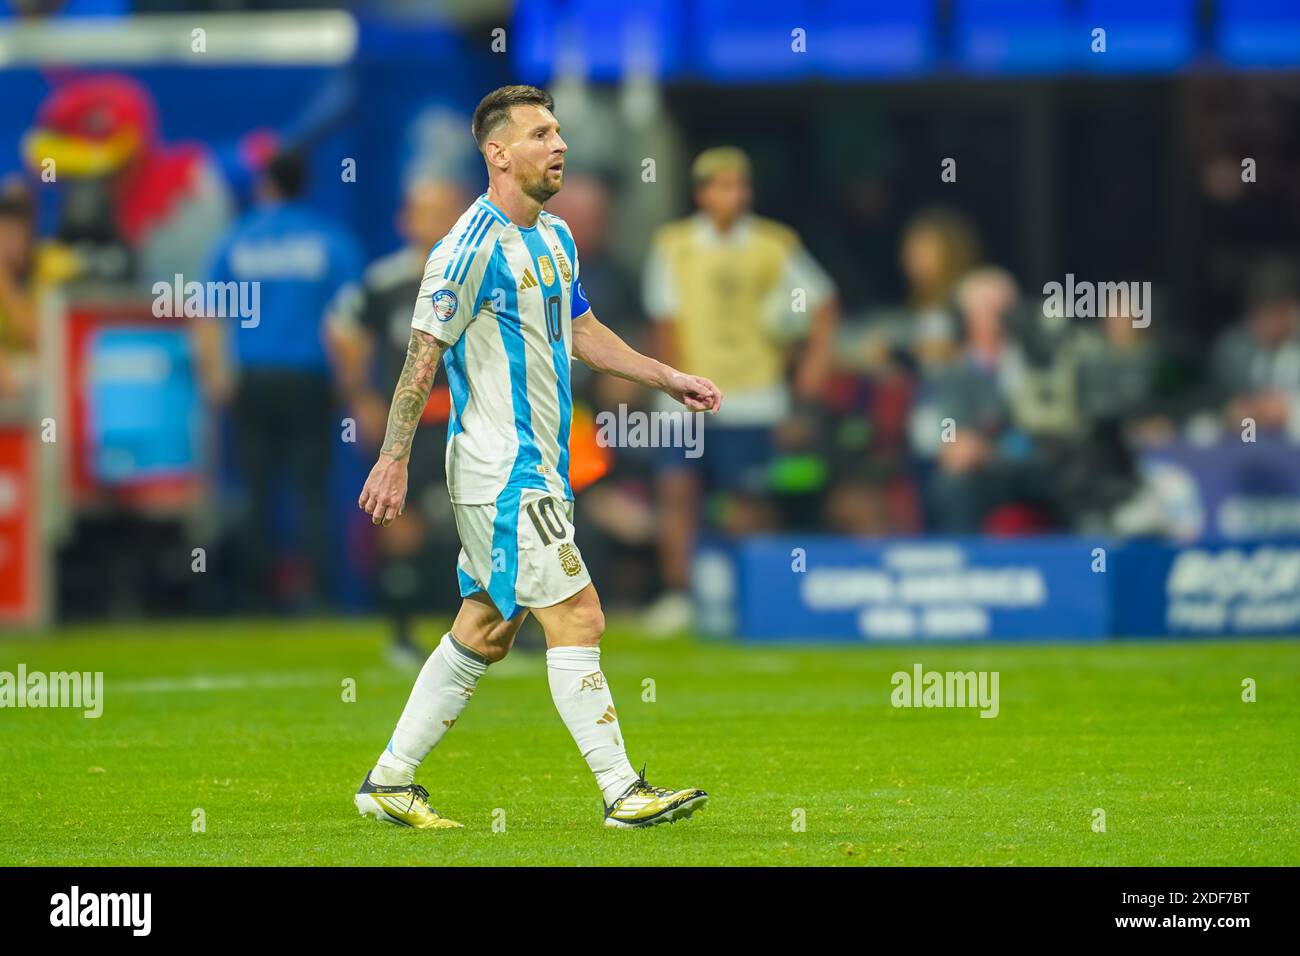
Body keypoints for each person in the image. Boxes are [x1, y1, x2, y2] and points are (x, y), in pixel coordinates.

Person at [354, 85, 722, 830]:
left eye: (558, 132)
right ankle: (623, 792)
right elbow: (422, 356)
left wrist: (666, 376)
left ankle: (389, 781)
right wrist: (393, 459)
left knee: (487, 626)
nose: (559, 145)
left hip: (541, 466)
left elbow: (580, 330)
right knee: (579, 616)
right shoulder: (466, 249)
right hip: (500, 468)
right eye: (540, 133)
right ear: (498, 154)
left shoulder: (554, 238)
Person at [640, 146, 837, 634]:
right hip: (687, 393)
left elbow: (823, 305)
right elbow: (665, 321)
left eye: (740, 185)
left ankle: (756, 596)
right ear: (702, 193)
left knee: (749, 499)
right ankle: (679, 594)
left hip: (753, 393)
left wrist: (810, 376)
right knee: (677, 490)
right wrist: (676, 384)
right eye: (722, 186)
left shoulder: (774, 244)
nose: (734, 195)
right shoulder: (675, 245)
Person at [195, 150, 363, 611]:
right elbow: (349, 322)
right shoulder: (330, 242)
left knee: (256, 491)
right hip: (310, 376)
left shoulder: (237, 240)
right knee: (313, 492)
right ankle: (323, 597)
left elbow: (208, 316)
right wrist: (349, 383)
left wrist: (216, 378)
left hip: (254, 377)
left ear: (265, 184)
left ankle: (255, 599)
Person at [328, 179, 470, 664]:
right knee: (400, 522)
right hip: (408, 426)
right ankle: (403, 633)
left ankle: (509, 630)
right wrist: (360, 396)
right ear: (405, 221)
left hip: (469, 421)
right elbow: (343, 329)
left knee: (491, 520)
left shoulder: (478, 274)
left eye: (444, 210)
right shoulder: (385, 282)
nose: (434, 222)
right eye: (424, 212)